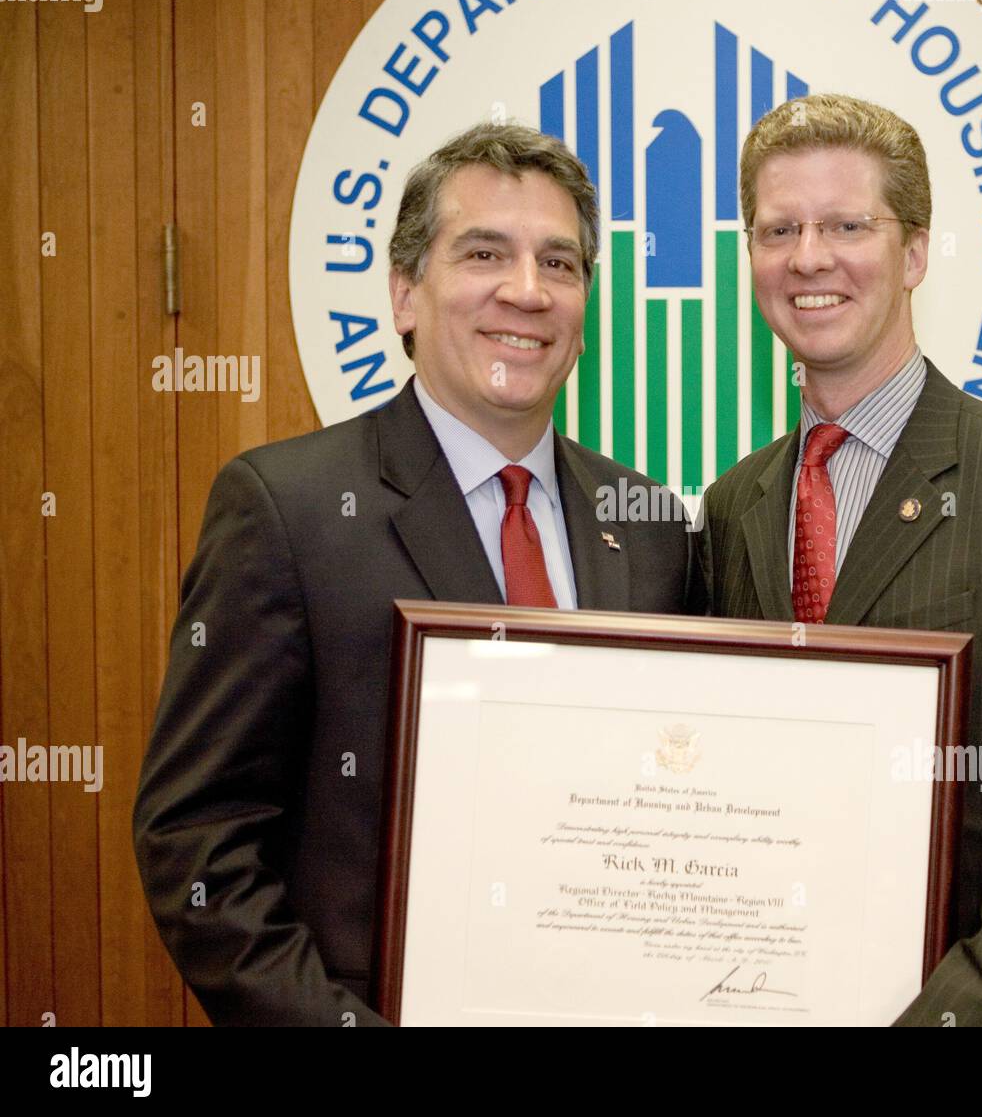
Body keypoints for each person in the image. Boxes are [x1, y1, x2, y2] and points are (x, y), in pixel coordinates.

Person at [133, 123, 699, 1026]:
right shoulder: (287, 509)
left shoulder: (654, 526)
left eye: (560, 264)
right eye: (485, 253)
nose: (527, 291)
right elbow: (197, 838)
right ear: (404, 292)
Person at [694, 94, 982, 1025]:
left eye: (848, 224)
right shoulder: (736, 505)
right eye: (779, 229)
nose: (809, 256)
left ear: (916, 253)